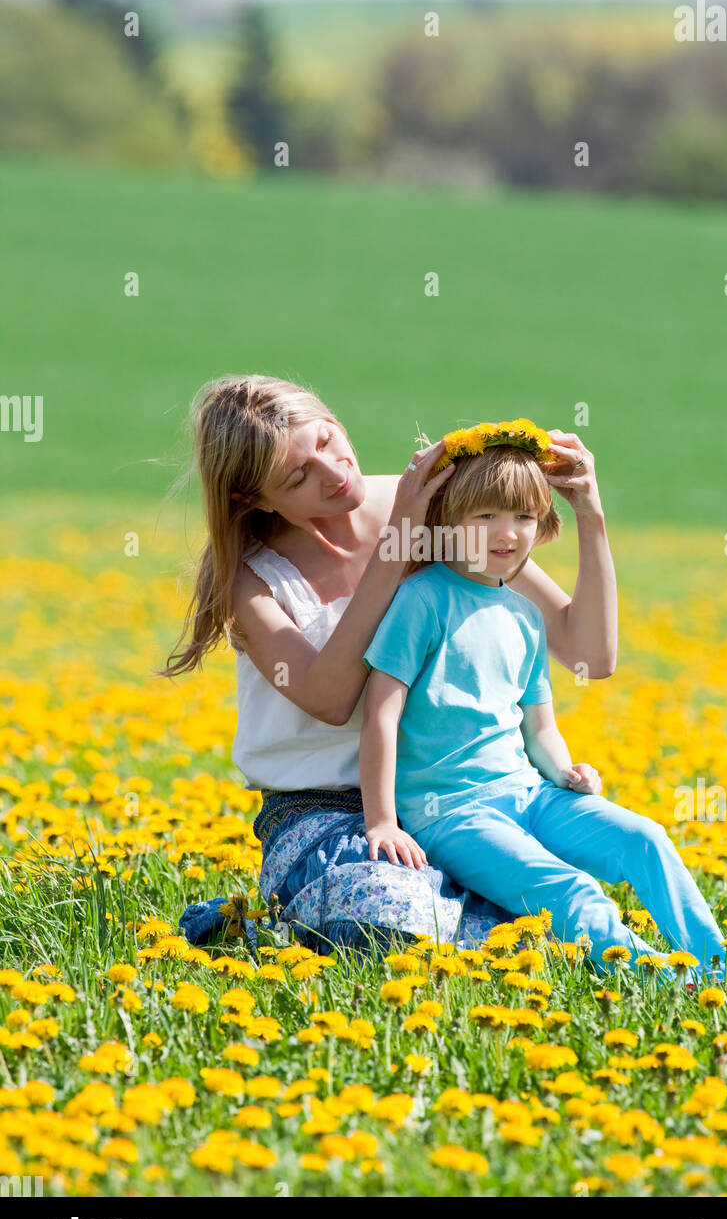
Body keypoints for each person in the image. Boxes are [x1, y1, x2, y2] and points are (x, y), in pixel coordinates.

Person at [163, 377, 612, 956]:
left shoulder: (430, 503)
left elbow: (587, 653)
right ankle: (251, 932)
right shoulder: (250, 581)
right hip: (326, 812)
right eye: (298, 476)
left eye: (327, 440)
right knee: (399, 921)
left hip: (457, 795)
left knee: (548, 927)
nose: (333, 472)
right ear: (253, 500)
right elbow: (331, 698)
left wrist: (590, 512)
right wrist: (399, 539)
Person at [359, 420, 727, 982]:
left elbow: (539, 728)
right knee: (570, 889)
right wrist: (382, 820)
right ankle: (663, 981)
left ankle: (716, 970)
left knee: (646, 840)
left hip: (528, 793)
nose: (505, 534)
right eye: (485, 517)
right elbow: (380, 715)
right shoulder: (420, 599)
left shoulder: (526, 616)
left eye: (523, 517)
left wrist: (565, 769)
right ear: (448, 520)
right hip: (451, 814)